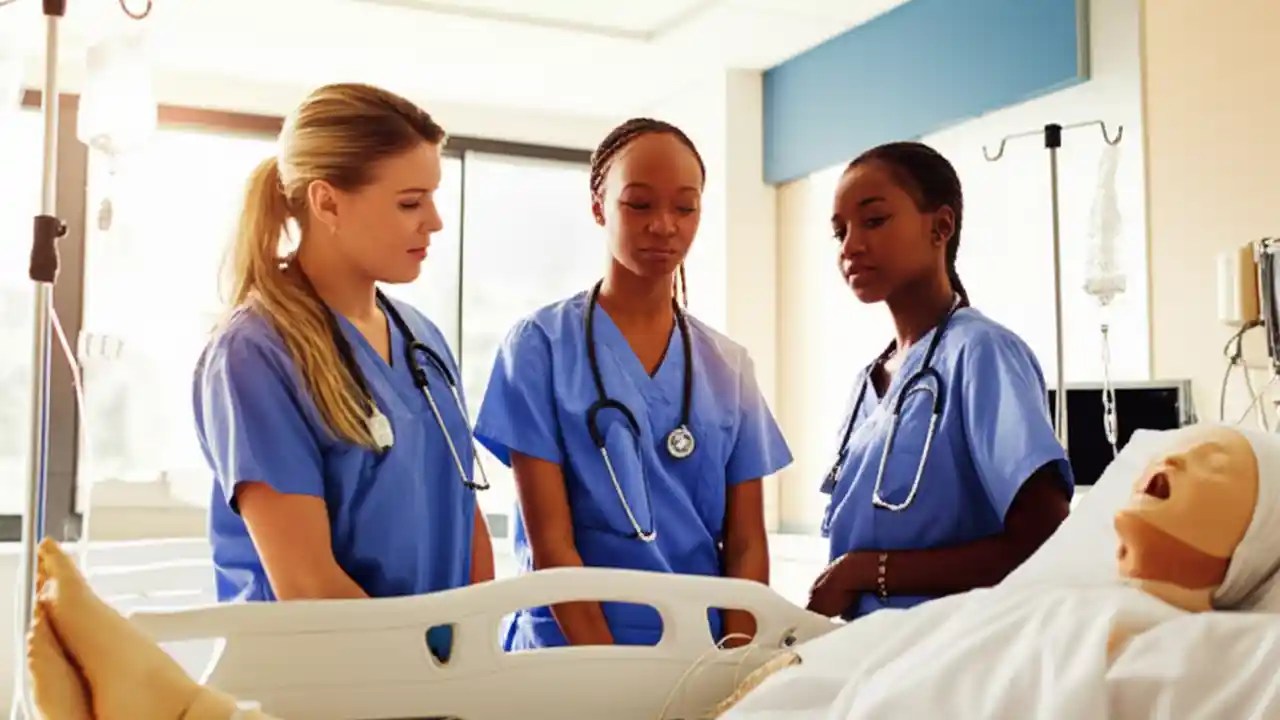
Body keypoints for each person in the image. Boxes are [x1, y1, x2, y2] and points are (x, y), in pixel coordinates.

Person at [192, 83, 493, 660]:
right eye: (410, 202)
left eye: (432, 197)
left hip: (442, 679)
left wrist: (477, 658)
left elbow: (463, 511)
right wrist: (425, 671)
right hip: (325, 681)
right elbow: (307, 586)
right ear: (327, 202)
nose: (434, 222)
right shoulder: (254, 353)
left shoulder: (421, 339)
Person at [474, 118, 792, 650]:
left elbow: (744, 545)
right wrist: (609, 675)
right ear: (599, 206)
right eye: (639, 205)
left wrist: (736, 660)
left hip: (699, 652)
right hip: (571, 653)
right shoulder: (540, 346)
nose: (664, 226)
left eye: (684, 208)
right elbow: (553, 545)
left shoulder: (728, 366)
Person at [807, 141, 1072, 620]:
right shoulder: (868, 383)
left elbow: (1046, 541)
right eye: (839, 231)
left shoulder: (981, 352)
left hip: (953, 653)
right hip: (867, 652)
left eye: (874, 220)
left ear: (941, 226)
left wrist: (869, 571)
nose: (851, 246)